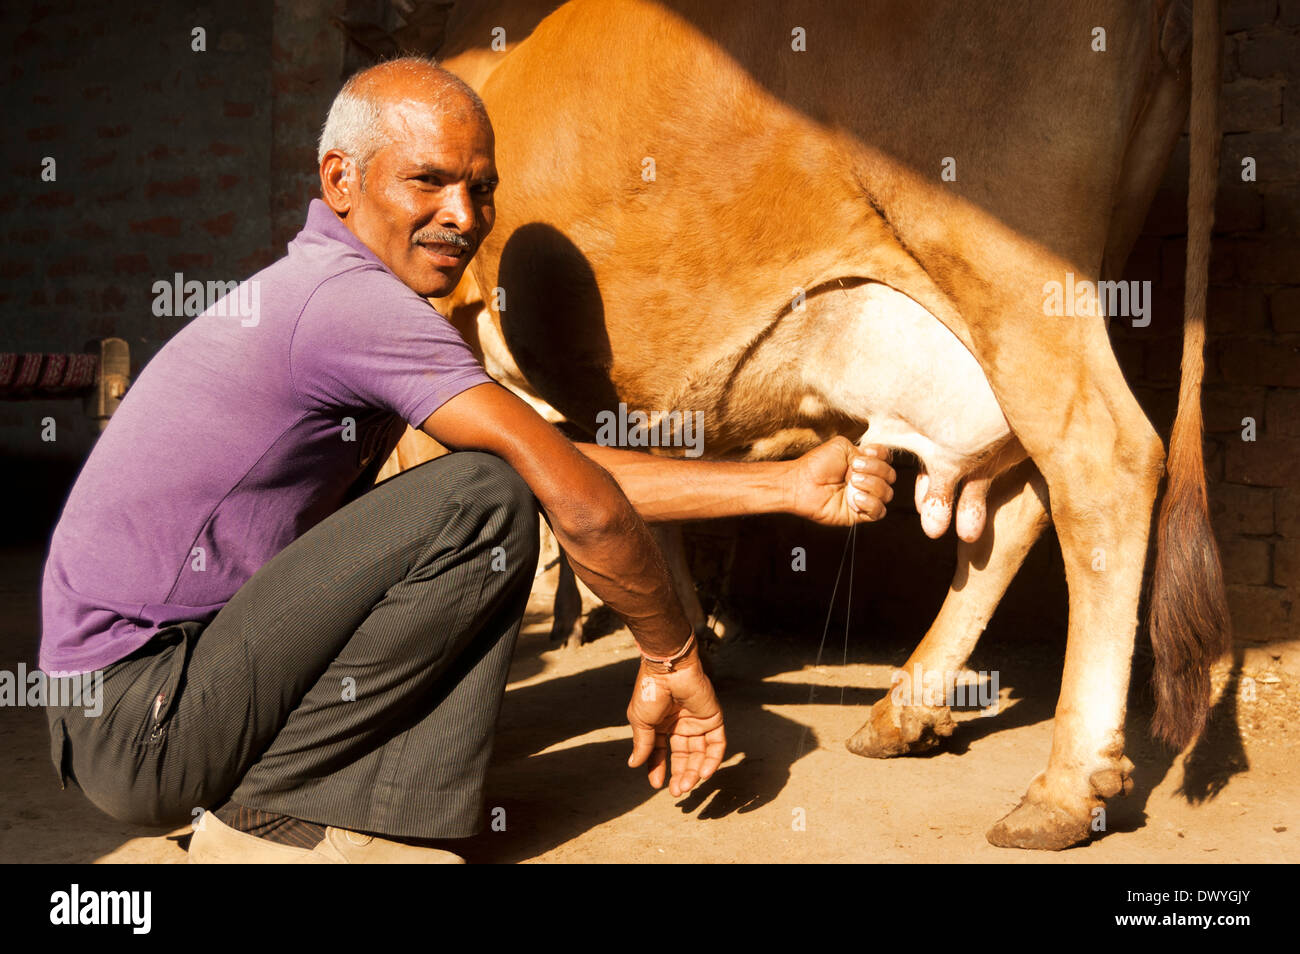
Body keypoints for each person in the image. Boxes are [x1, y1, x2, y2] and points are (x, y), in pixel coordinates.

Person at [38, 56, 898, 863]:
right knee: (479, 498)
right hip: (145, 721)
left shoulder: (332, 290)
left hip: (126, 717)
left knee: (486, 486)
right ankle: (282, 832)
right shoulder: (352, 305)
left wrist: (780, 484)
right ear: (341, 180)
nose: (464, 215)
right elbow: (565, 497)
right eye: (429, 181)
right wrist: (672, 656)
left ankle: (313, 803)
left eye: (480, 189)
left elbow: (557, 468)